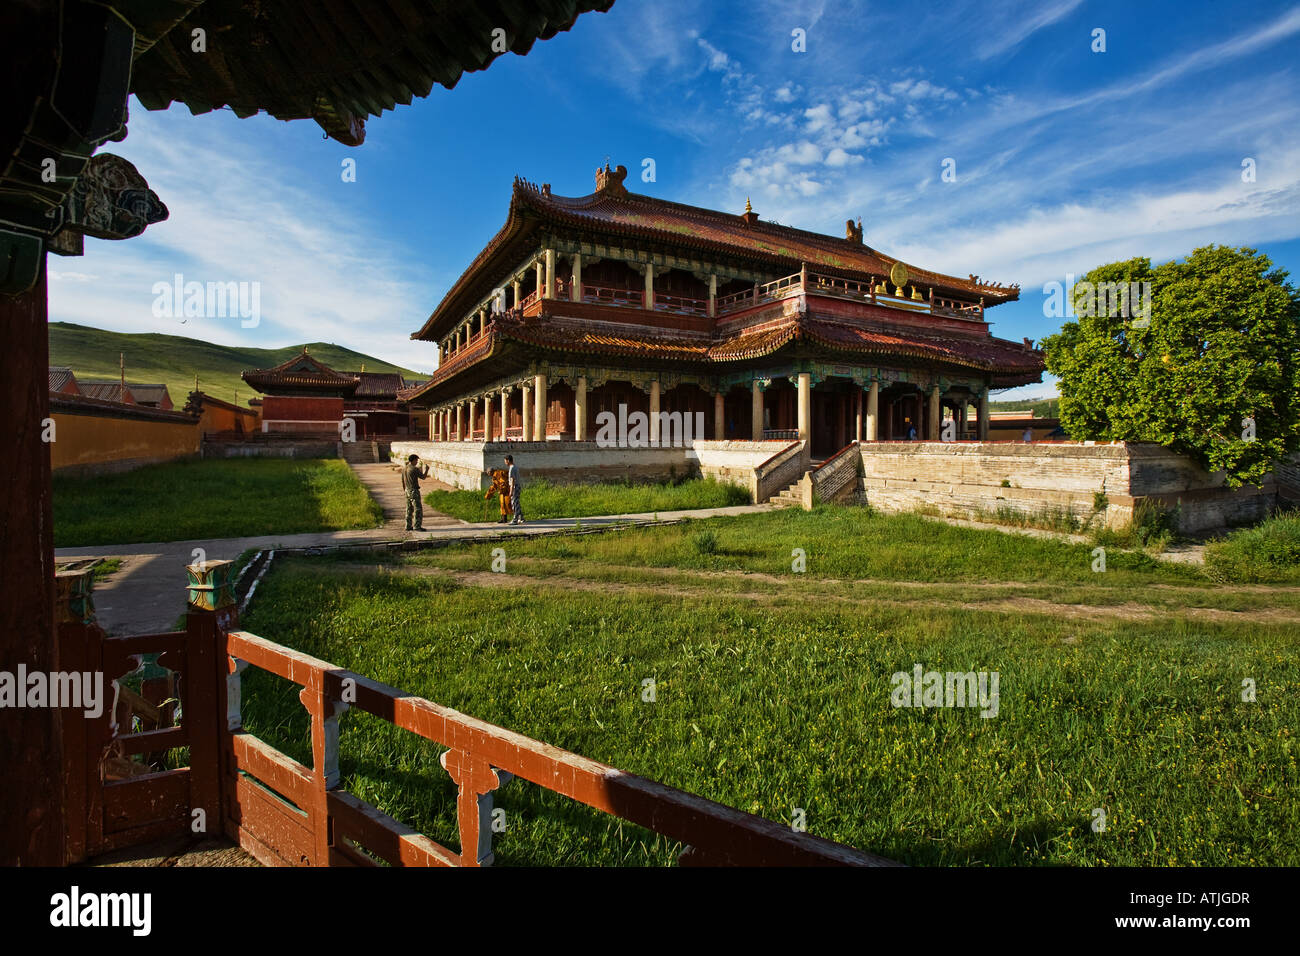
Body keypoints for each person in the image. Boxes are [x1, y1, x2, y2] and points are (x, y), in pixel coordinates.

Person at [401, 453, 429, 531]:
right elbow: (423, 477)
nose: (417, 462)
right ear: (413, 460)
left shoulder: (404, 468)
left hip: (407, 490)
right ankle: (417, 526)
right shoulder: (414, 469)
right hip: (414, 491)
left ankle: (408, 526)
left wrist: (405, 491)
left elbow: (403, 481)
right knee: (418, 509)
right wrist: (426, 470)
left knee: (409, 509)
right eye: (416, 460)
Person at [505, 454, 524, 524]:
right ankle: (521, 517)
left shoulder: (512, 468)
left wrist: (511, 490)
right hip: (517, 486)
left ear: (508, 460)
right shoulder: (515, 467)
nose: (505, 463)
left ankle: (515, 519)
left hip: (514, 487)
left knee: (514, 503)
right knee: (517, 503)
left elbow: (512, 480)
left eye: (505, 461)